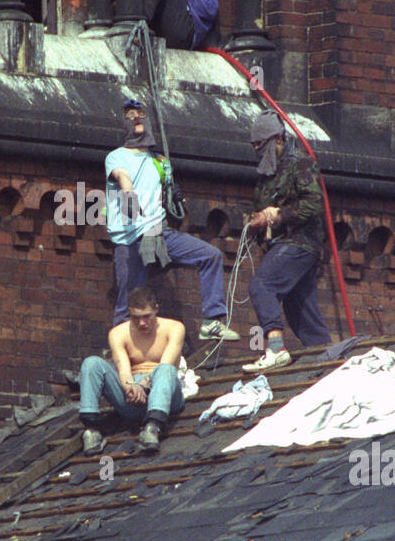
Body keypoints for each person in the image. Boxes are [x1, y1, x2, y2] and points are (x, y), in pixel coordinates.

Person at [105, 96, 239, 342]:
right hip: (131, 240)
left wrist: (173, 194)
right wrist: (130, 200)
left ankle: (212, 321)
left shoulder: (160, 161)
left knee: (211, 256)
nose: (135, 118)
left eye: (140, 113)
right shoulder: (116, 156)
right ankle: (120, 359)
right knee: (128, 304)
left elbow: (167, 198)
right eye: (129, 115)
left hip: (159, 232)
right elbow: (123, 178)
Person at [241, 109, 333, 372]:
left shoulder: (300, 165)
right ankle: (330, 363)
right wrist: (257, 222)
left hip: (299, 243)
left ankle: (276, 348)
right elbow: (264, 214)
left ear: (278, 139)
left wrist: (279, 215)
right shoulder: (265, 179)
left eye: (262, 144)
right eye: (254, 145)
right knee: (299, 310)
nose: (257, 150)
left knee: (262, 286)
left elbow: (314, 204)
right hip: (282, 245)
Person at [79, 286, 185, 454]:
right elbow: (123, 368)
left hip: (166, 395)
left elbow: (168, 363)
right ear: (129, 312)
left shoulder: (174, 328)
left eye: (146, 316)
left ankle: (152, 428)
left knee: (165, 369)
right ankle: (91, 430)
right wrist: (130, 386)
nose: (142, 323)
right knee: (91, 363)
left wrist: (143, 385)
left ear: (156, 309)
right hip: (133, 397)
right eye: (136, 317)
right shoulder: (118, 333)